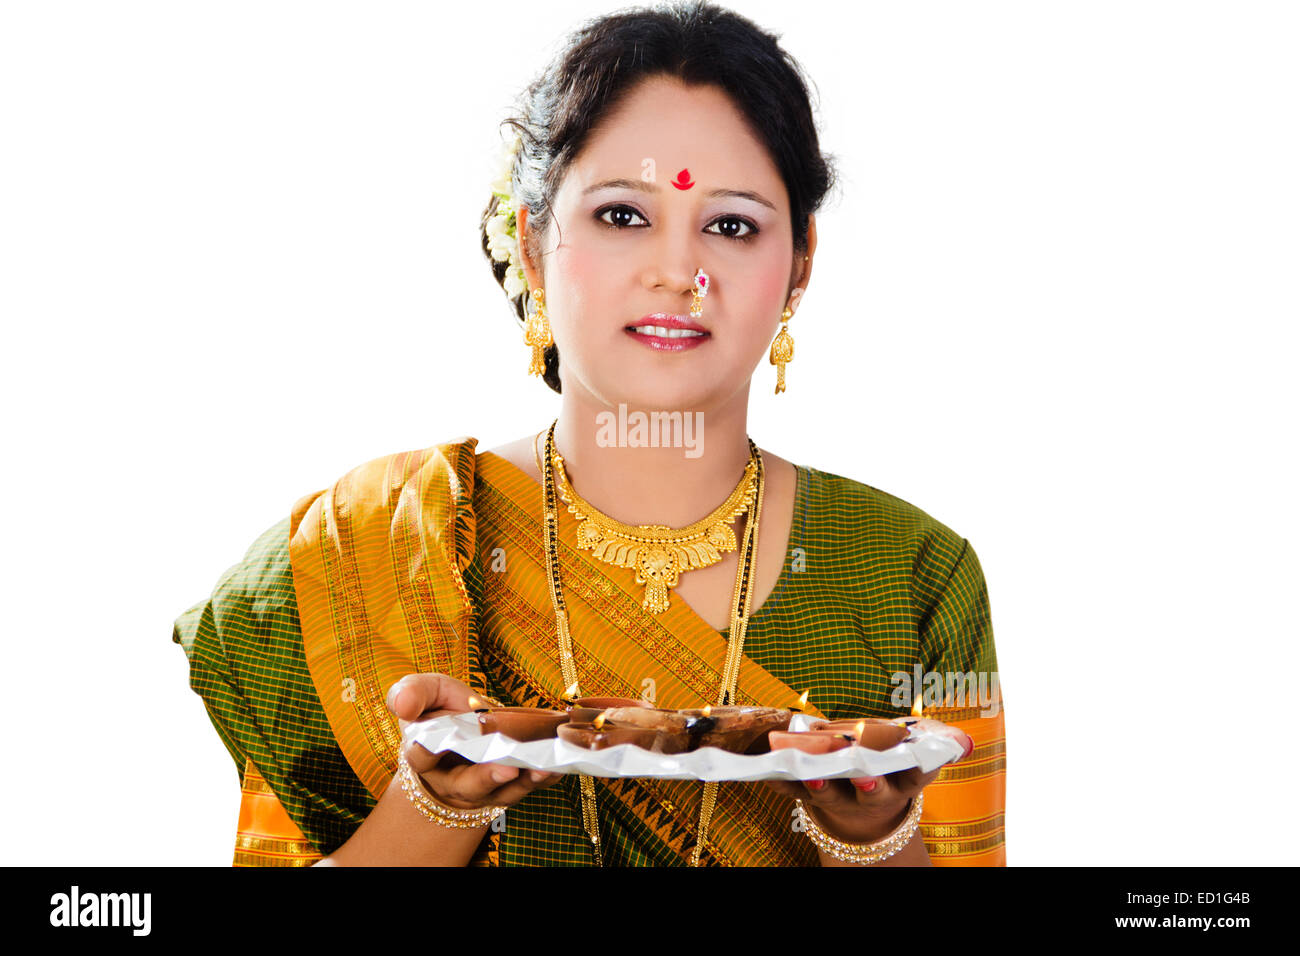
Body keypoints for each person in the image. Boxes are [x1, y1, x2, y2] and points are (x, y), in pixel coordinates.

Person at [173, 0, 1006, 867]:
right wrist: (433, 805)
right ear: (531, 246)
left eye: (731, 225)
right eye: (621, 215)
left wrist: (870, 833)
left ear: (798, 264)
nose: (679, 273)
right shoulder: (370, 554)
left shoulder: (912, 573)